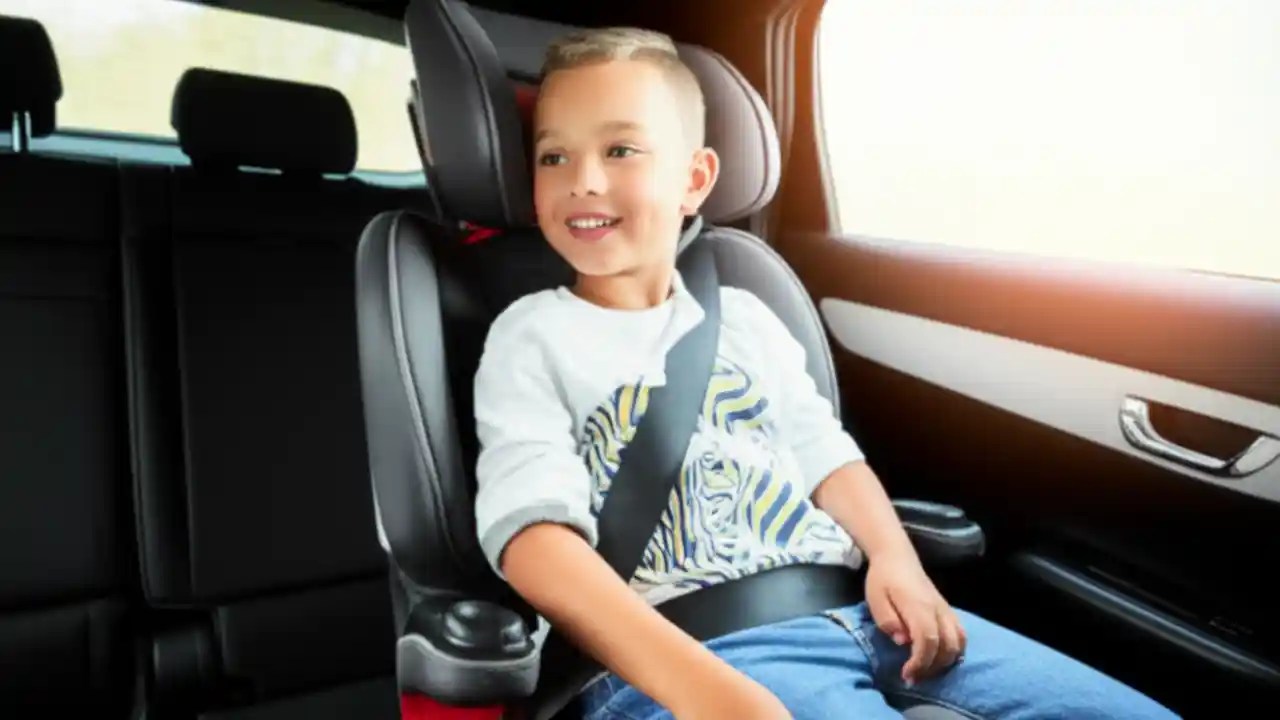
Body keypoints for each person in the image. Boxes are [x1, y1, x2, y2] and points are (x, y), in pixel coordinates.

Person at [471, 25, 1180, 720]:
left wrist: (895, 561)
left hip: (858, 619)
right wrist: (700, 690)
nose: (583, 181)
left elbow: (825, 456)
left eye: (620, 149)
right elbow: (534, 538)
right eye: (554, 157)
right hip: (690, 650)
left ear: (694, 180)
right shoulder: (531, 335)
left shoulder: (746, 313)